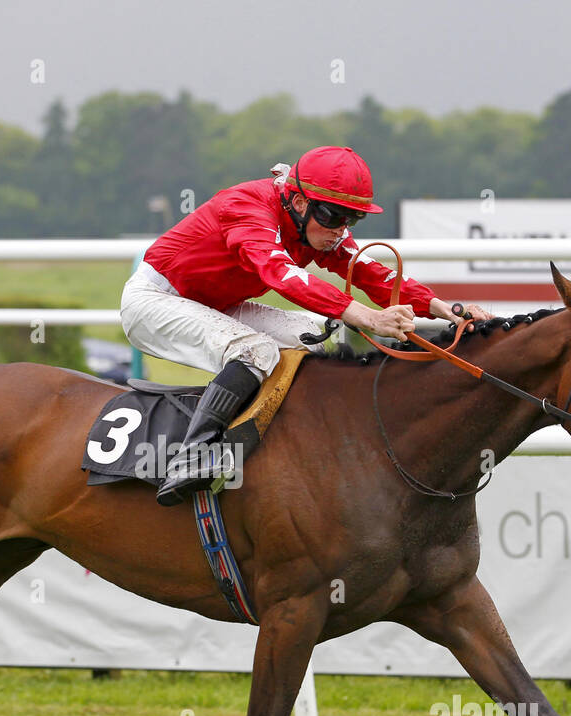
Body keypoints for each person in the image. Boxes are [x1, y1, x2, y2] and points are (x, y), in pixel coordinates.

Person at [120, 145, 492, 507]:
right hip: (156, 300)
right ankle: (192, 457)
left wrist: (446, 309)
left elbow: (370, 274)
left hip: (215, 304)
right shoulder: (246, 206)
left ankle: (287, 444)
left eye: (351, 219)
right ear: (299, 203)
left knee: (315, 334)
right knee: (255, 350)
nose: (339, 229)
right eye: (333, 216)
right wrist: (368, 317)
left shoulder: (315, 221)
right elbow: (282, 276)